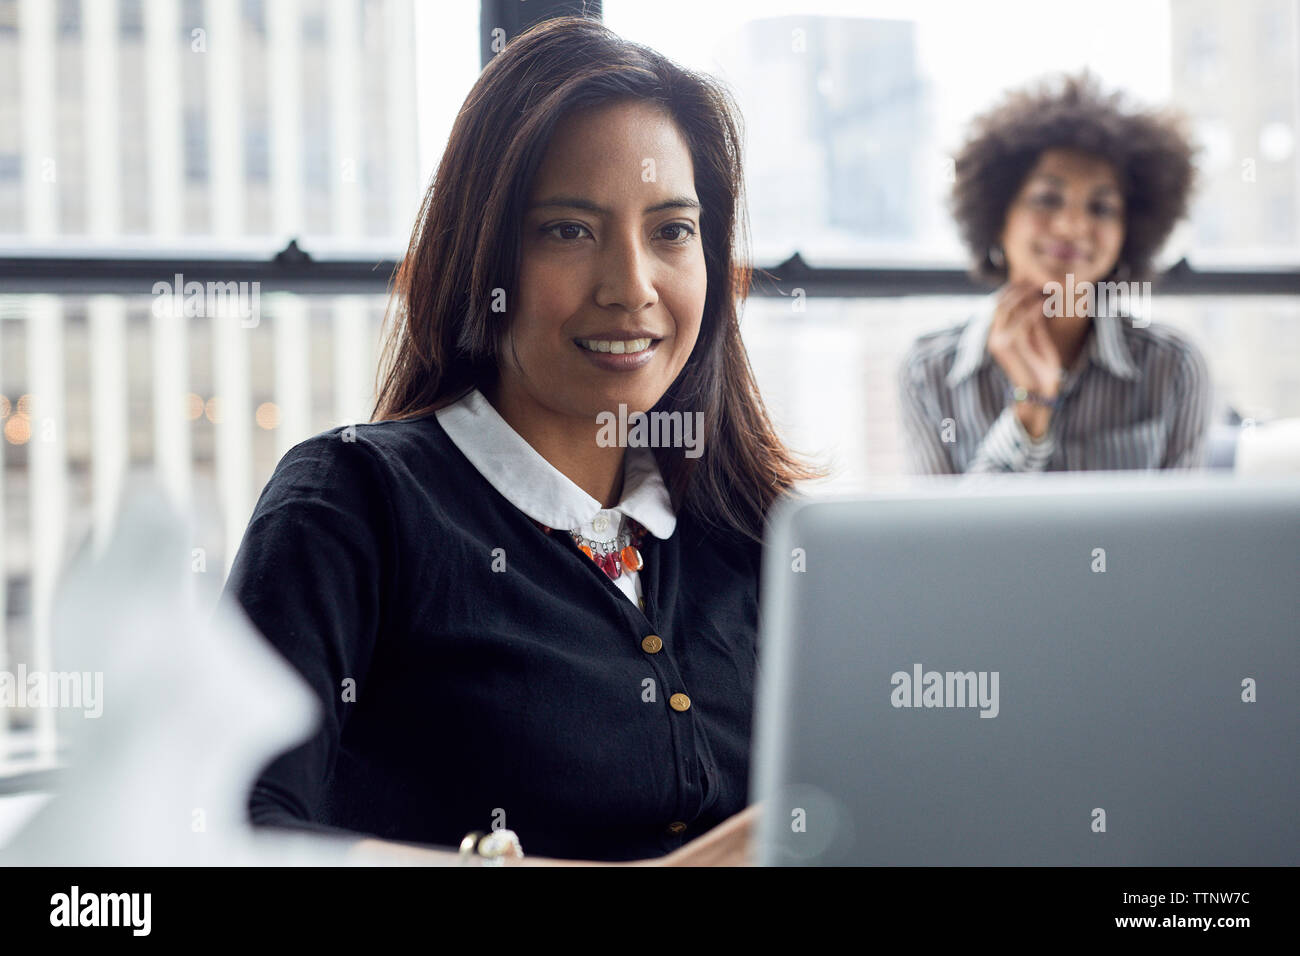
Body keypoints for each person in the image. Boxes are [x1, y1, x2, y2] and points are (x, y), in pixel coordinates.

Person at [218, 16, 817, 866]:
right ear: (482, 259)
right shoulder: (351, 502)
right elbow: (235, 832)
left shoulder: (757, 534)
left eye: (672, 231)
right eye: (568, 230)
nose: (631, 287)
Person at [898, 73, 1213, 474]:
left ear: (1127, 233)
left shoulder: (1173, 367)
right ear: (998, 219)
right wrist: (1031, 411)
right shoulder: (928, 371)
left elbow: (1180, 532)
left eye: (1101, 208)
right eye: (1047, 199)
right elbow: (945, 536)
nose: (1071, 227)